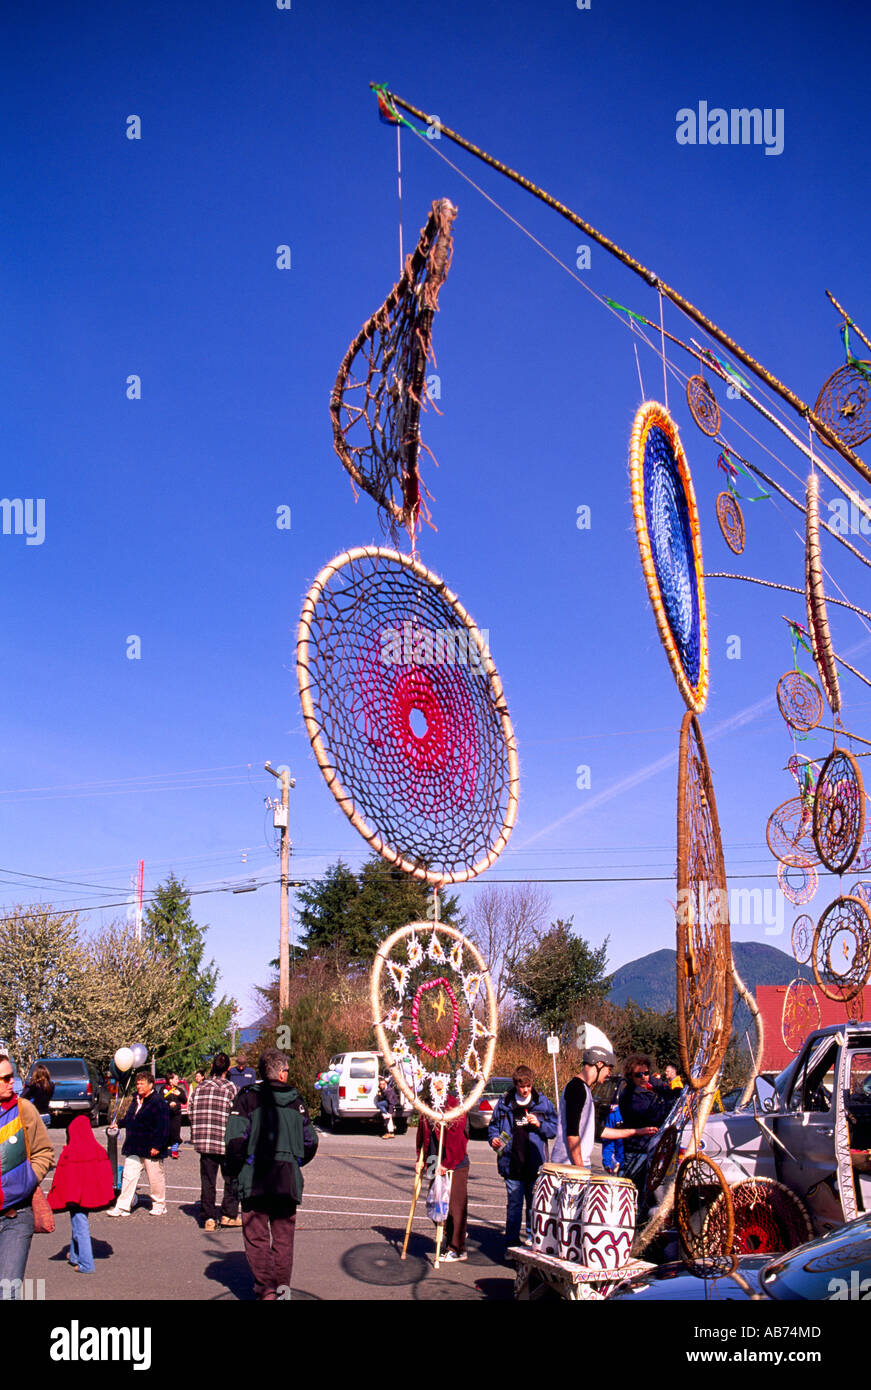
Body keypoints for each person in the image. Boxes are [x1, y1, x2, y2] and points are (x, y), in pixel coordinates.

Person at [224, 1049, 318, 1300]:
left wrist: (233, 1172)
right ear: (282, 1073)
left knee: (257, 1237)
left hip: (254, 1177)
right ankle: (281, 1290)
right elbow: (310, 1142)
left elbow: (234, 1141)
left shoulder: (247, 1099)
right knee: (284, 1237)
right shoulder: (296, 1101)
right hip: (286, 1178)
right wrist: (293, 1160)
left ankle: (266, 1290)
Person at [0, 1054, 54, 1299]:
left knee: (8, 1292)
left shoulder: (24, 1109)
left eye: (12, 1076)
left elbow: (44, 1152)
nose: (13, 1082)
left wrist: (27, 1179)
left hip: (16, 1215)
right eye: (6, 1078)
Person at [488, 1065, 557, 1252]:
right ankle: (511, 1242)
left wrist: (540, 1124)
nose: (524, 1090)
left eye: (527, 1086)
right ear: (515, 1085)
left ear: (531, 1084)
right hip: (511, 1163)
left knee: (534, 1206)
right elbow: (493, 1127)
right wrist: (494, 1139)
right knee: (514, 1205)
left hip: (534, 1164)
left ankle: (532, 1239)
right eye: (521, 1086)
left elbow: (554, 1128)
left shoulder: (542, 1102)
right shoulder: (505, 1102)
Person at [47, 1115, 115, 1273]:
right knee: (78, 1223)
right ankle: (75, 1256)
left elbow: (61, 1178)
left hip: (73, 1195)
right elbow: (106, 1174)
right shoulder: (97, 1149)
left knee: (80, 1225)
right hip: (91, 1194)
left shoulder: (70, 1152)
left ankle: (86, 1263)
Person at [107, 1069, 171, 1217]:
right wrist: (119, 1124)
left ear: (151, 1085)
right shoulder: (135, 1099)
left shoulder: (159, 1102)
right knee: (128, 1177)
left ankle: (159, 1205)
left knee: (155, 1179)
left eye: (142, 1084)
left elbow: (163, 1126)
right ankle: (122, 1206)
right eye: (137, 1084)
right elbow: (130, 1118)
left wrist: (157, 1145)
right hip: (134, 1145)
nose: (139, 1086)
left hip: (151, 1147)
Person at [190, 1052, 240, 1231]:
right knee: (232, 1179)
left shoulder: (200, 1087)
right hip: (225, 1141)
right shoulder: (232, 1088)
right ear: (228, 1068)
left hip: (205, 1140)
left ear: (212, 1067)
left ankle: (209, 1217)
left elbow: (191, 1110)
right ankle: (229, 1214)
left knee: (208, 1180)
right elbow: (238, 1116)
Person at [416, 1095, 470, 1263]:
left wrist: (447, 1163)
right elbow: (421, 1133)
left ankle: (457, 1247)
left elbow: (457, 1138)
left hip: (454, 1161)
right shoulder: (426, 1104)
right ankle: (449, 1233)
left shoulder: (453, 1104)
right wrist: (420, 1159)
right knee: (435, 1204)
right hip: (433, 1159)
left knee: (455, 1206)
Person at [550, 1046, 616, 1168]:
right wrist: (580, 1168)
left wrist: (637, 1132)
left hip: (573, 1165)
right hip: (568, 1166)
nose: (609, 1074)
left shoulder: (584, 1089)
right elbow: (572, 1133)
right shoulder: (577, 1088)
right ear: (599, 1064)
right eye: (608, 1069)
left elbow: (598, 1130)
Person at [617, 1055, 674, 1167]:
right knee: (635, 1183)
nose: (643, 1077)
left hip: (649, 1147)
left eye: (646, 1073)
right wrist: (671, 1103)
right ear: (631, 1077)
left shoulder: (645, 1087)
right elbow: (654, 1115)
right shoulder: (631, 1096)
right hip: (637, 1150)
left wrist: (674, 1092)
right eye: (638, 1075)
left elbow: (665, 1090)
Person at [163, 1073, 187, 1159]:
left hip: (176, 1114)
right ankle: (163, 1149)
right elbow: (160, 1100)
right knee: (166, 1133)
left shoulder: (179, 1089)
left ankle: (174, 1151)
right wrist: (168, 1103)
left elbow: (184, 1100)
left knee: (175, 1133)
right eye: (176, 1079)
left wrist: (179, 1094)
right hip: (166, 1114)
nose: (178, 1081)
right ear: (170, 1080)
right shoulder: (163, 1089)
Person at [375, 1073, 401, 1139]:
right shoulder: (385, 1089)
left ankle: (389, 1133)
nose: (381, 1085)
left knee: (380, 1106)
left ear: (385, 1084)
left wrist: (389, 1113)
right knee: (389, 1119)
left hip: (392, 1103)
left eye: (383, 1084)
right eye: (380, 1084)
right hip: (388, 1102)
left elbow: (391, 1103)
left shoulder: (388, 1091)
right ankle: (391, 1133)